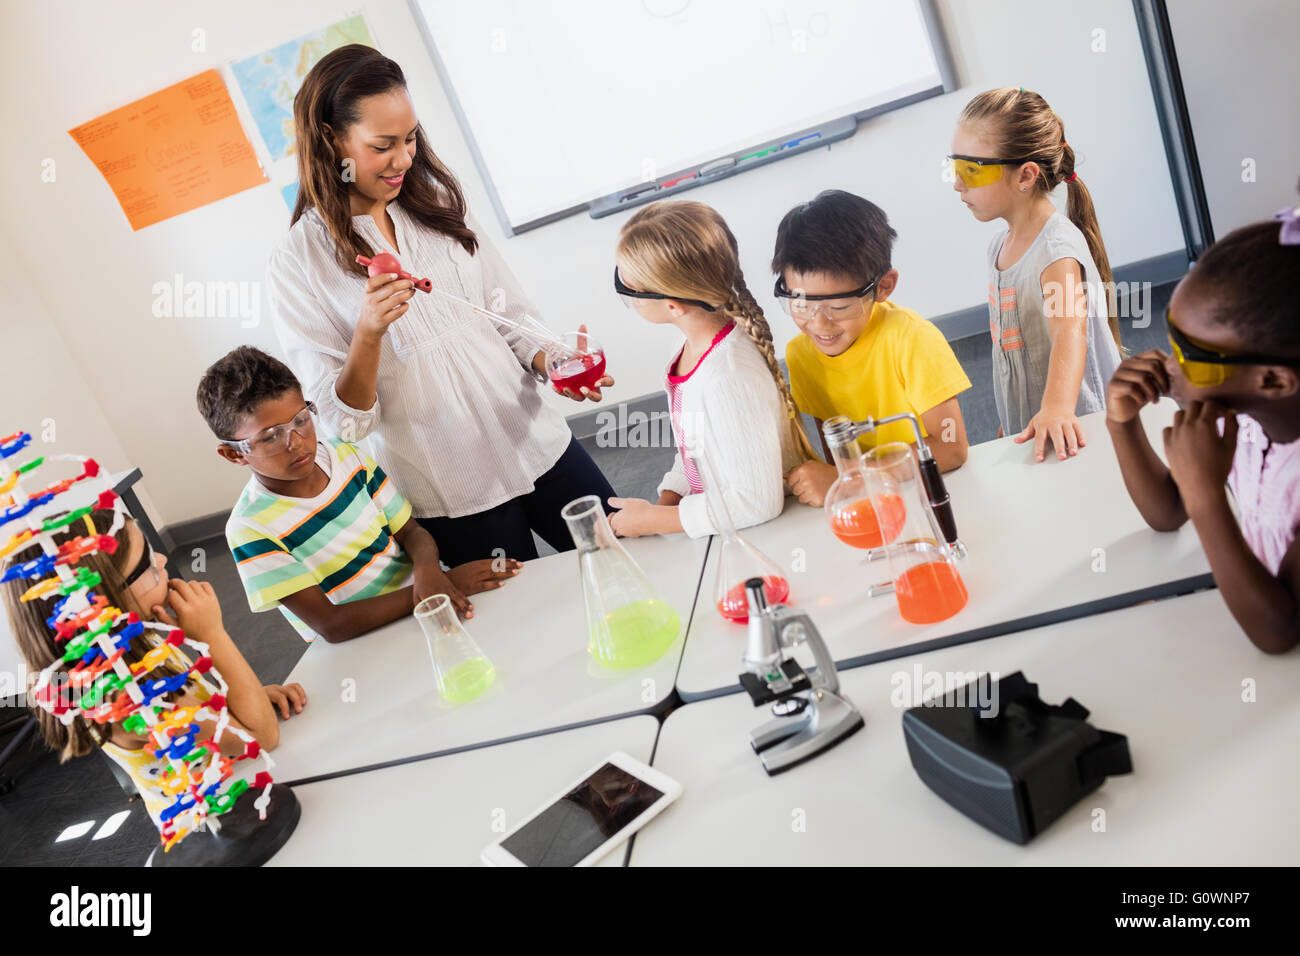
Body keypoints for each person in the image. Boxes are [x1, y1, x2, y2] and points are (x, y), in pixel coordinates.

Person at [266, 44, 615, 564]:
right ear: (330, 138)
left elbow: (509, 313)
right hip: (451, 490)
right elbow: (345, 424)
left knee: (621, 556)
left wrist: (553, 360)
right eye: (383, 145)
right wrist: (368, 332)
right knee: (528, 623)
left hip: (539, 443)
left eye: (409, 138)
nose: (404, 158)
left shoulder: (438, 203)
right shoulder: (299, 262)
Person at [198, 346, 520, 643]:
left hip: (423, 601)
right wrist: (436, 589)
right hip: (362, 639)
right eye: (270, 437)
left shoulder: (344, 455)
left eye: (301, 420)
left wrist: (429, 574)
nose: (295, 442)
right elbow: (332, 625)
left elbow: (411, 532)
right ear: (234, 455)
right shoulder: (250, 528)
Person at [1, 512, 305, 827]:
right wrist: (212, 635)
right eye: (147, 563)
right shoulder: (132, 695)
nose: (161, 558)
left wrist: (245, 700)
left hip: (239, 786)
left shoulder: (134, 642)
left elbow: (207, 715)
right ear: (105, 601)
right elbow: (260, 738)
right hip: (218, 822)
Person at [1106, 210, 1300, 653]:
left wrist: (1207, 496)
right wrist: (1122, 422)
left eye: (1190, 357)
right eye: (1172, 340)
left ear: (1272, 380)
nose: (1170, 367)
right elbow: (1169, 512)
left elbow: (1279, 631)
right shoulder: (1244, 416)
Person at [606, 201, 816, 538]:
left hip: (760, 534)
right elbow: (695, 447)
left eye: (628, 289)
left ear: (673, 306)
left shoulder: (728, 376)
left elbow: (756, 502)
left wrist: (654, 521)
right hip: (722, 523)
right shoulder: (687, 349)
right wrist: (667, 501)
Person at [950, 87, 1122, 462]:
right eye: (954, 166)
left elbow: (1068, 331)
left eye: (971, 170)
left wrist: (1057, 407)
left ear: (1025, 176)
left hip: (1078, 425)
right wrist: (1014, 415)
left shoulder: (1054, 251)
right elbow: (1016, 348)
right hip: (1036, 421)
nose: (957, 184)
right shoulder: (999, 246)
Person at [775, 190, 971, 508]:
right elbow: (835, 443)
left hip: (932, 492)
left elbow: (952, 449)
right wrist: (846, 480)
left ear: (883, 286)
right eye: (799, 303)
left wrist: (850, 477)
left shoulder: (911, 339)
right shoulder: (800, 354)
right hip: (872, 499)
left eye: (838, 307)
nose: (819, 325)